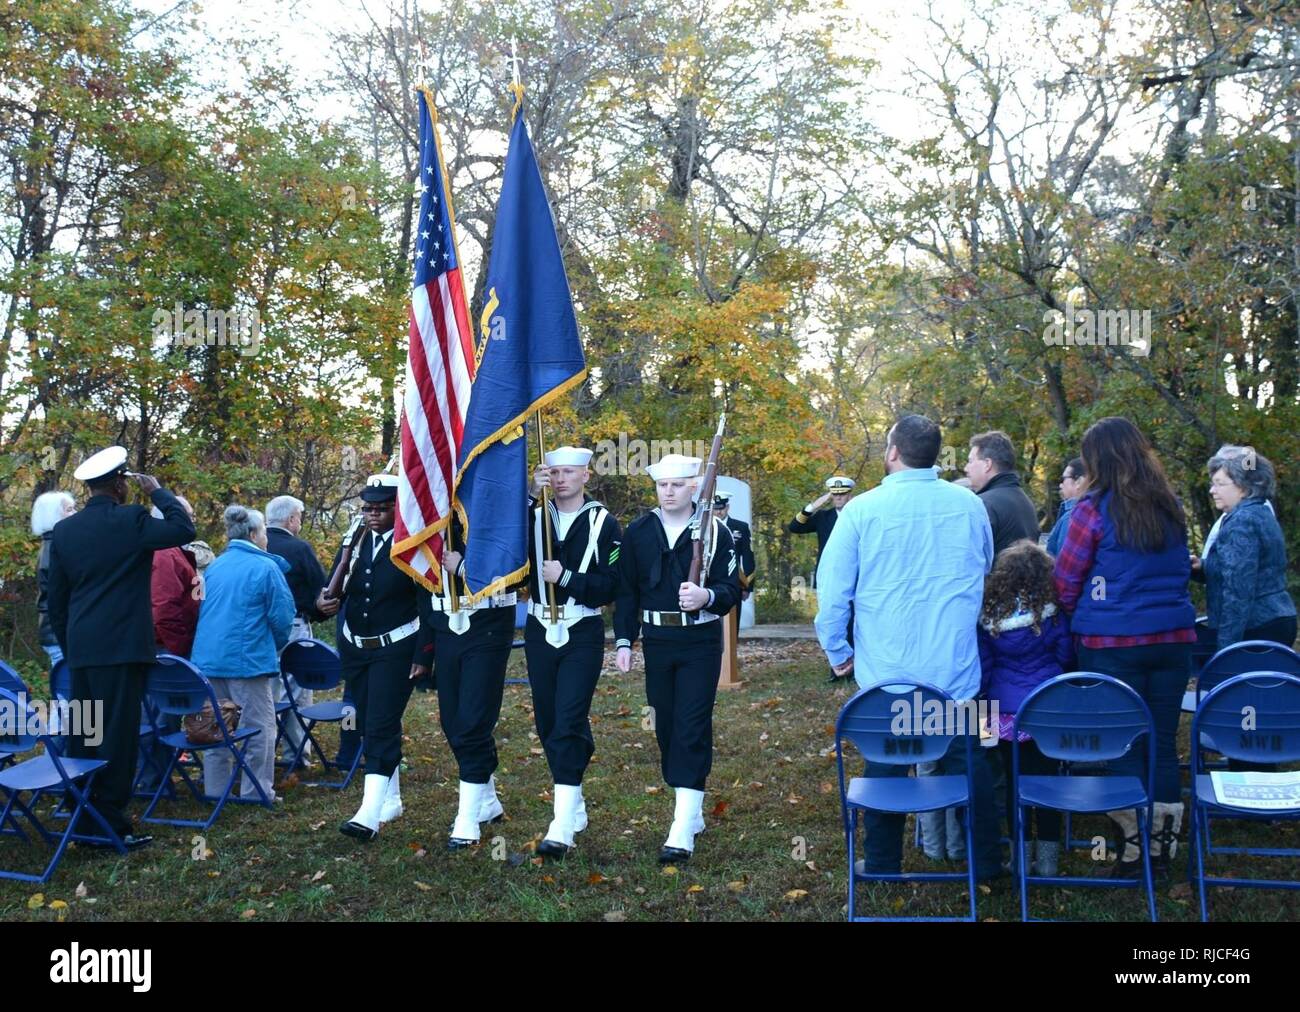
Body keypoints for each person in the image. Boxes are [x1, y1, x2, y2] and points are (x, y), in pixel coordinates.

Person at [813, 415, 1002, 881]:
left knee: (886, 764)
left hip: (889, 673)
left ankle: (882, 863)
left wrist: (837, 650)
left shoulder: (861, 510)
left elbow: (833, 591)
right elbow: (985, 572)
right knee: (969, 761)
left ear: (893, 451)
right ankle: (987, 863)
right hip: (952, 669)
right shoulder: (969, 505)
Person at [1053, 417, 1196, 876]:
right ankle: (1164, 848)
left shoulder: (1091, 511)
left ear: (1096, 460)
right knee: (1161, 742)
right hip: (1172, 642)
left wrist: (1077, 621)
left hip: (1112, 644)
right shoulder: (1169, 505)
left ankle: (1131, 852)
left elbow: (1066, 580)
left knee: (1123, 744)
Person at [46, 446, 196, 849]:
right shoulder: (132, 519)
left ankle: (82, 811)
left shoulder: (64, 530)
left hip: (82, 647)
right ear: (118, 484)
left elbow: (55, 598)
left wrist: (70, 645)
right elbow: (184, 531)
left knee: (84, 731)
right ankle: (109, 824)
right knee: (117, 735)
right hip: (121, 647)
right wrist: (160, 493)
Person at [614, 453, 740, 863]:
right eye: (661, 485)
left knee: (690, 724)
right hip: (656, 639)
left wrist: (707, 597)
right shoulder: (639, 531)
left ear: (693, 487)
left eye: (677, 484)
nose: (668, 492)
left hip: (700, 642)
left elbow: (730, 589)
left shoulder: (716, 532)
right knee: (665, 724)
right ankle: (691, 802)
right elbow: (627, 591)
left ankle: (682, 825)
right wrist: (623, 640)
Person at [317, 475, 431, 842]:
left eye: (382, 509)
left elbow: (427, 604)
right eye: (368, 508)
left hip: (396, 647)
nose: (373, 515)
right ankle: (392, 799)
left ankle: (368, 813)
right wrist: (321, 605)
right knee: (367, 721)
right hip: (358, 648)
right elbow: (337, 586)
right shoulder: (355, 540)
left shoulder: (412, 544)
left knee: (381, 722)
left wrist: (423, 652)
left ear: (398, 510)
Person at [525, 446, 622, 858]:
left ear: (586, 476)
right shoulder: (533, 515)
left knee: (568, 718)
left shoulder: (605, 522)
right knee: (549, 721)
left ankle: (561, 824)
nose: (561, 479)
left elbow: (611, 584)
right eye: (555, 472)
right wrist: (531, 495)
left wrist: (566, 575)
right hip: (538, 626)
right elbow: (505, 551)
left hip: (581, 625)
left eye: (569, 472)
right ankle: (574, 797)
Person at [421, 514, 520, 851]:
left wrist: (463, 568)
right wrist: (424, 650)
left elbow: (512, 566)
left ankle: (466, 819)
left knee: (473, 722)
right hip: (447, 625)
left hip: (488, 621)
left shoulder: (493, 507)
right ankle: (488, 797)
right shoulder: (437, 513)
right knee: (452, 722)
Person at [977, 540, 1074, 877]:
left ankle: (1019, 856)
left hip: (999, 711)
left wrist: (985, 710)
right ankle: (1047, 860)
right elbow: (1065, 656)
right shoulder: (1053, 614)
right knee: (1047, 780)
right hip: (1046, 708)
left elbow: (985, 667)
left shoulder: (989, 617)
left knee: (1010, 781)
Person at [190, 506, 295, 804]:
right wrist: (269, 646)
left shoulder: (216, 566)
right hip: (247, 663)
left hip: (208, 660)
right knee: (259, 729)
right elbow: (283, 618)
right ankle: (256, 791)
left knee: (215, 726)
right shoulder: (266, 568)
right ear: (253, 534)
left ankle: (216, 790)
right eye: (263, 532)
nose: (266, 538)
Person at [1192, 447, 1296, 651]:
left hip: (1256, 626)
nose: (1212, 490)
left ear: (1244, 486)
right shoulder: (1260, 512)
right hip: (1274, 619)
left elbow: (1238, 590)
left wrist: (1227, 649)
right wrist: (1203, 567)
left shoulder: (1242, 521)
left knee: (1232, 681)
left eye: (1219, 484)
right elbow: (1251, 572)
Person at [265, 494, 330, 767]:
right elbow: (321, 588)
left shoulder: (252, 546)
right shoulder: (299, 548)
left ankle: (271, 753)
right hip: (293, 627)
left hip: (259, 630)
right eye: (299, 518)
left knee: (269, 690)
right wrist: (319, 613)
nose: (300, 523)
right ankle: (294, 755)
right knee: (296, 691)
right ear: (291, 519)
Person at [965, 431, 1040, 555]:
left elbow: (969, 558)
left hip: (996, 574)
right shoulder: (1024, 500)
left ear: (987, 464)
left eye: (970, 461)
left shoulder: (983, 504)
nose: (966, 468)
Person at [150, 496, 200, 657]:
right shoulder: (165, 553)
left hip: (169, 642)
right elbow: (165, 606)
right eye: (190, 516)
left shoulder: (173, 551)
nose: (194, 521)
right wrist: (180, 648)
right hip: (168, 647)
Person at [32, 491, 77, 669]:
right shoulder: (55, 548)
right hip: (58, 633)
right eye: (69, 509)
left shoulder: (54, 545)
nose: (75, 513)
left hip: (56, 631)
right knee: (68, 690)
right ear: (53, 515)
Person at [787, 476, 855, 570]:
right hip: (826, 571)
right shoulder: (822, 517)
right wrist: (812, 507)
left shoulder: (859, 517)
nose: (838, 497)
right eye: (835, 494)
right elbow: (794, 527)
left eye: (842, 494)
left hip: (852, 571)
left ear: (850, 495)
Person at [715, 492, 755, 601]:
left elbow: (748, 558)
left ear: (727, 507)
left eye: (721, 508)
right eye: (715, 508)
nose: (718, 512)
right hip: (710, 583)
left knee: (733, 617)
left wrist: (747, 586)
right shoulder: (704, 527)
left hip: (734, 582)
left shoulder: (741, 527)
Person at [1045, 458, 1087, 557]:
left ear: (1079, 482)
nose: (1060, 484)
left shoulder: (1072, 517)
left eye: (1063, 479)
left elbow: (1063, 560)